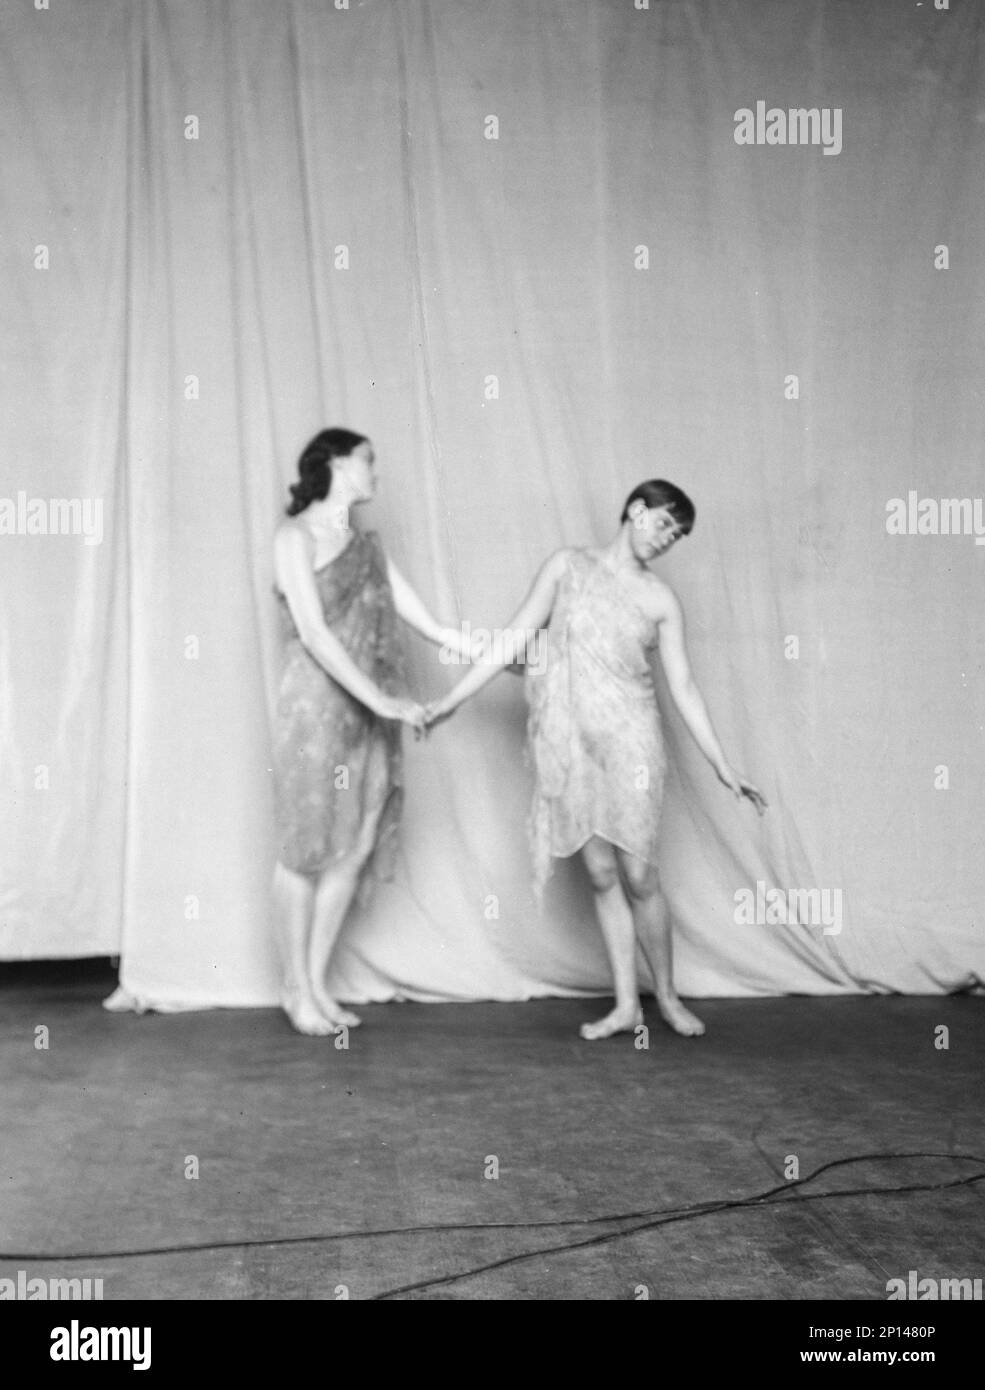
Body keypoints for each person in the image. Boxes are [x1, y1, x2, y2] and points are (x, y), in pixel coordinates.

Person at [425, 480, 767, 1040]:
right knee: (602, 873)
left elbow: (683, 686)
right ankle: (626, 1006)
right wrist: (450, 702)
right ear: (636, 510)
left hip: (632, 743)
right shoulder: (567, 567)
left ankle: (670, 998)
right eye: (663, 524)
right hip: (569, 745)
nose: (666, 539)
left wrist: (722, 764)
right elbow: (512, 642)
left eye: (676, 536)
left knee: (639, 873)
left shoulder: (660, 600)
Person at [272, 428, 468, 1035]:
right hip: (317, 710)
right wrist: (385, 701)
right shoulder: (293, 536)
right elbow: (314, 632)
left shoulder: (369, 549)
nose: (376, 472)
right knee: (306, 850)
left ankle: (315, 985)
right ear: (334, 462)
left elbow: (431, 625)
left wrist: (501, 652)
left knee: (353, 848)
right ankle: (295, 989)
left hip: (369, 714)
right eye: (368, 461)